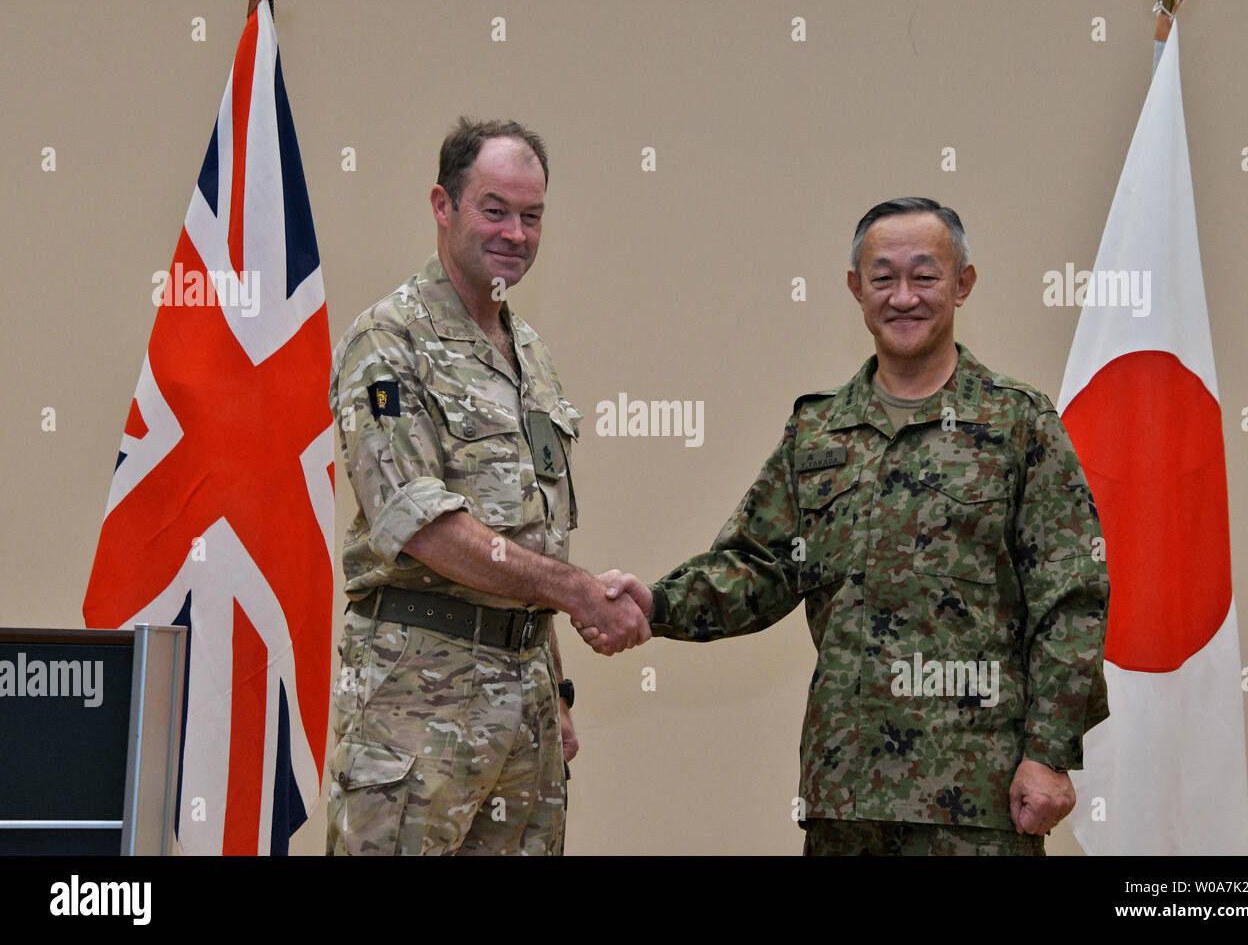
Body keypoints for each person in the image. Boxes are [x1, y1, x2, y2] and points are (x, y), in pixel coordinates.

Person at [591, 198, 1109, 855]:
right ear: (855, 289)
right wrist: (656, 603)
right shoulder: (819, 430)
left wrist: (1050, 753)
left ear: (963, 284)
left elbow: (1071, 595)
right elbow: (760, 567)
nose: (903, 296)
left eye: (925, 276)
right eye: (883, 277)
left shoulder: (1018, 423)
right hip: (846, 797)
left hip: (976, 800)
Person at [326, 118, 649, 856]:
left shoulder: (529, 354)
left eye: (531, 216)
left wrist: (556, 690)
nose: (515, 232)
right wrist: (574, 590)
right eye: (494, 209)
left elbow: (533, 532)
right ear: (444, 206)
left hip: (524, 704)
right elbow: (421, 523)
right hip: (416, 703)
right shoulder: (388, 342)